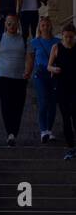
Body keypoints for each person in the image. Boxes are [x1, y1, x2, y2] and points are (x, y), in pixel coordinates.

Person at [0, 13, 28, 146]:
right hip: (2, 77)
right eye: (9, 23)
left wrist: (28, 71)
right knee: (6, 104)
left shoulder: (25, 40)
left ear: (18, 24)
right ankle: (10, 133)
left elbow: (30, 58)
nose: (12, 26)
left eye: (14, 23)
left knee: (18, 106)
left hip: (19, 79)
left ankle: (14, 131)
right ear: (5, 24)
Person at [25, 15, 60, 143]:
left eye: (47, 25)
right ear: (39, 27)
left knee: (52, 104)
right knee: (43, 102)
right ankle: (43, 130)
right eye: (42, 25)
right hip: (40, 75)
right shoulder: (34, 42)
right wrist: (27, 72)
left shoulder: (57, 41)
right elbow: (30, 60)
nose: (45, 27)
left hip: (54, 75)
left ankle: (49, 131)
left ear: (50, 26)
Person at [48, 23, 76, 160]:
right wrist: (54, 69)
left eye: (71, 37)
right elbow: (49, 66)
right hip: (62, 87)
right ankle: (71, 147)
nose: (68, 39)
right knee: (66, 118)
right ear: (62, 36)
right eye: (66, 37)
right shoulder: (56, 47)